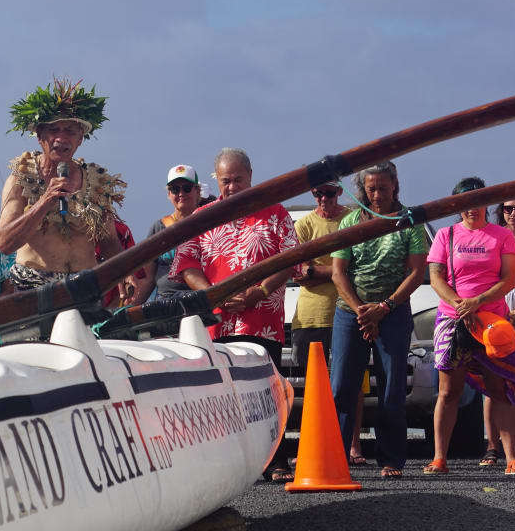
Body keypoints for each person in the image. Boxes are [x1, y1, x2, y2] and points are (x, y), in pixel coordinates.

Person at [172, 148, 297, 481]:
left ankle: (276, 461)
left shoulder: (275, 212)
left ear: (250, 176)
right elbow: (186, 265)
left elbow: (290, 259)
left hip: (262, 321)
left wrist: (259, 292)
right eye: (225, 181)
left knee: (268, 391)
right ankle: (231, 467)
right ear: (217, 180)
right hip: (219, 321)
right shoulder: (202, 217)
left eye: (238, 179)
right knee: (223, 396)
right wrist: (214, 294)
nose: (232, 187)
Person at [329, 161, 427, 479]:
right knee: (342, 386)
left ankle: (390, 459)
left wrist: (385, 307)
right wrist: (362, 310)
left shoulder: (409, 221)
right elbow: (338, 273)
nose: (377, 195)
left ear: (395, 186)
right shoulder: (350, 221)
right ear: (363, 189)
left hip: (393, 312)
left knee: (392, 387)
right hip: (352, 314)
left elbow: (416, 272)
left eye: (383, 188)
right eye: (371, 189)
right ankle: (336, 457)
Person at [424, 178, 515, 475]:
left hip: (493, 322)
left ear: (486, 203)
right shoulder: (445, 235)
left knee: (500, 388)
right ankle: (439, 458)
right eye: (465, 203)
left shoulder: (501, 236)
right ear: (456, 206)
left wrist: (477, 302)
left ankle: (511, 458)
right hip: (452, 319)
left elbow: (508, 280)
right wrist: (460, 305)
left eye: (478, 201)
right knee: (448, 391)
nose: (472, 208)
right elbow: (436, 278)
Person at [0, 78, 125, 291]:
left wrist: (125, 274)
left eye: (69, 131)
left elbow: (109, 241)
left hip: (84, 286)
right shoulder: (21, 180)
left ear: (80, 138)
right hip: (33, 287)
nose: (61, 138)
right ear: (40, 136)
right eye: (54, 130)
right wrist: (44, 202)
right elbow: (4, 243)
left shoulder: (96, 182)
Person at [290, 181, 367, 464]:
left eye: (329, 192)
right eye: (317, 193)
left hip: (348, 309)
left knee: (352, 381)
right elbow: (298, 271)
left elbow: (359, 265)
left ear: (340, 192)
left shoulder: (353, 220)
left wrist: (318, 271)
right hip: (311, 315)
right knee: (314, 385)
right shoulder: (303, 225)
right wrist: (338, 271)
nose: (323, 198)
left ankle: (353, 445)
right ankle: (315, 444)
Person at [130, 165, 201, 306]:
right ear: (169, 194)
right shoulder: (158, 228)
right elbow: (149, 278)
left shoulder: (208, 222)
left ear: (197, 191)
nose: (181, 193)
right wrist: (130, 309)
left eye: (187, 188)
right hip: (165, 301)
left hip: (200, 299)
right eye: (175, 189)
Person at [493, 197, 515, 466]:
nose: (513, 213)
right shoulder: (495, 237)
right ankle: (494, 446)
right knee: (495, 379)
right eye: (508, 208)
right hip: (498, 303)